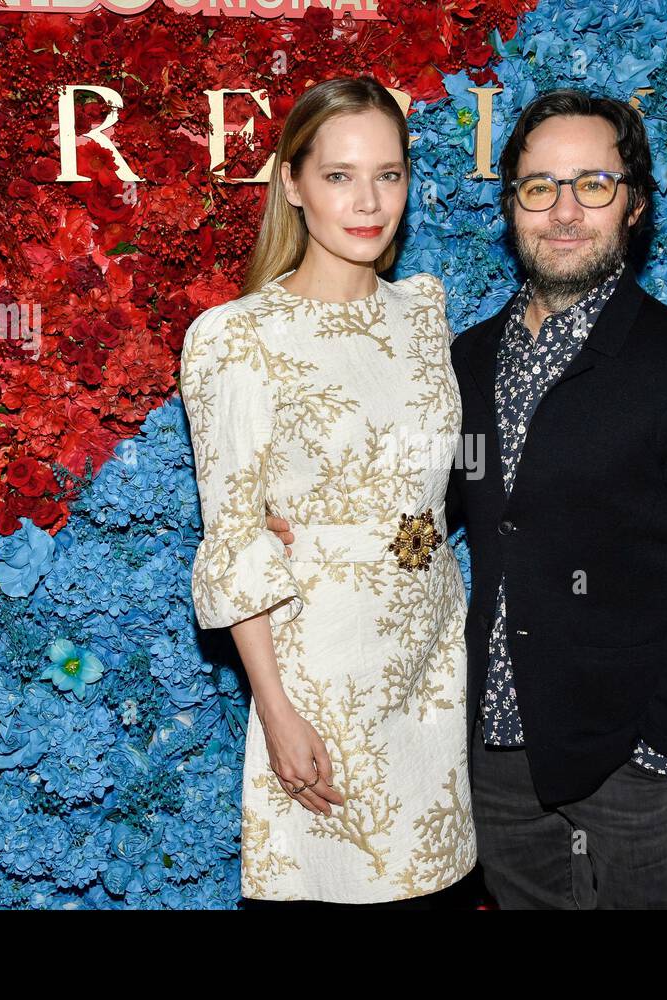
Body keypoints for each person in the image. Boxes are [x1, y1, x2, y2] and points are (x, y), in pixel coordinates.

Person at [272, 87, 667, 909]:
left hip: (633, 771)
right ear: (511, 207)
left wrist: (665, 749)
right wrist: (316, 526)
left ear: (634, 205)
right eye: (540, 187)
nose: (565, 211)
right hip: (496, 763)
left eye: (593, 185)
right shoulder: (463, 361)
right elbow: (422, 514)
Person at [179, 76, 475, 908]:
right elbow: (235, 539)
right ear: (292, 183)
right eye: (340, 175)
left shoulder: (422, 312)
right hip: (320, 673)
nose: (369, 200)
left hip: (433, 665)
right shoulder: (237, 338)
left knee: (438, 890)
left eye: (390, 173)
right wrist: (276, 710)